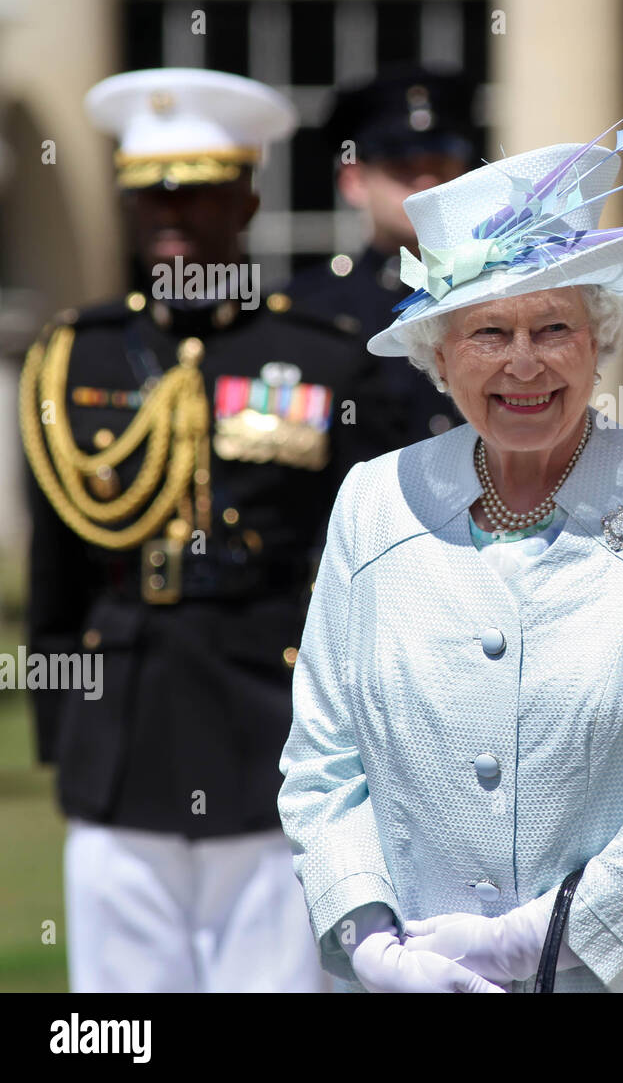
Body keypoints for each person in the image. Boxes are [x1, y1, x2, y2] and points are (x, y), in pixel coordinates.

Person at [278, 124, 623, 993]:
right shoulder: (372, 501)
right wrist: (368, 943)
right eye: (487, 334)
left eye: (554, 326)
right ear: (440, 354)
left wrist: (537, 943)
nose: (523, 365)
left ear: (600, 339)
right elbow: (324, 761)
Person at [21, 66, 378, 992]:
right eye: (153, 197)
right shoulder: (75, 358)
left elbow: (354, 566)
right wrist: (66, 731)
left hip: (267, 725)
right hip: (122, 733)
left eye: (198, 194)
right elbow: (59, 573)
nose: (172, 217)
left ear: (247, 201)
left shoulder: (316, 357)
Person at [287, 64, 477, 450]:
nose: (426, 182)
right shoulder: (306, 311)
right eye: (403, 168)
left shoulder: (505, 293)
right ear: (354, 181)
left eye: (440, 165)